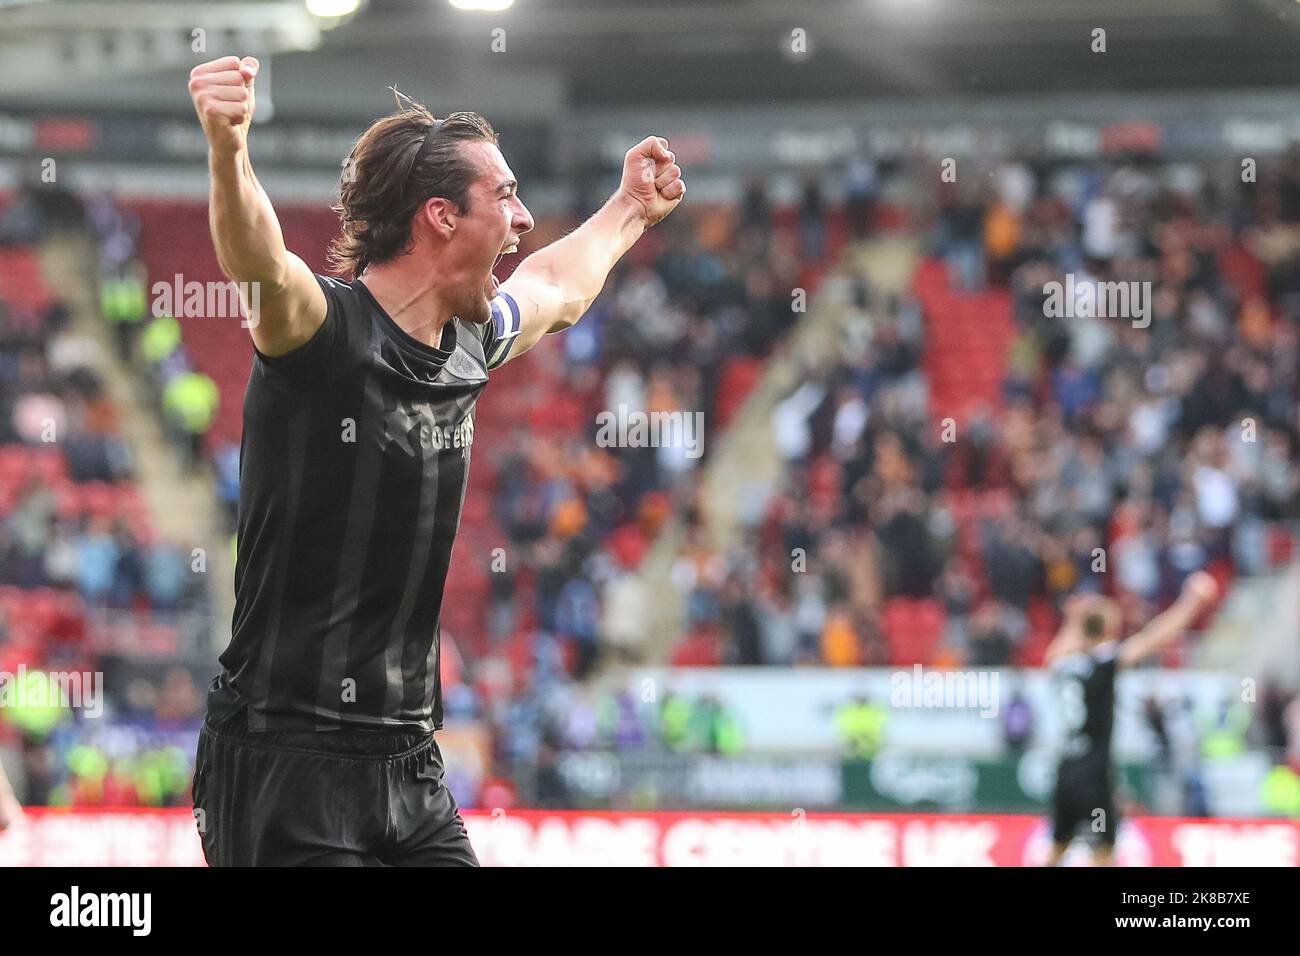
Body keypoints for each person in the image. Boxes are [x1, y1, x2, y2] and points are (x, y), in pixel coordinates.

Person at [186, 54, 685, 866]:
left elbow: (560, 284)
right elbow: (257, 264)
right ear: (442, 217)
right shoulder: (321, 332)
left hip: (409, 765)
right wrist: (227, 147)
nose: (524, 220)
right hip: (285, 757)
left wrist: (630, 206)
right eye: (507, 197)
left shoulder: (469, 343)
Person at [1042, 571, 1218, 866]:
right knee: (1104, 853)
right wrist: (1191, 602)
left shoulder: (1062, 665)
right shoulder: (1106, 662)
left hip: (1066, 772)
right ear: (1109, 626)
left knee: (1057, 849)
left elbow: (1054, 654)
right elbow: (1155, 636)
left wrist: (1074, 618)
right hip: (1095, 774)